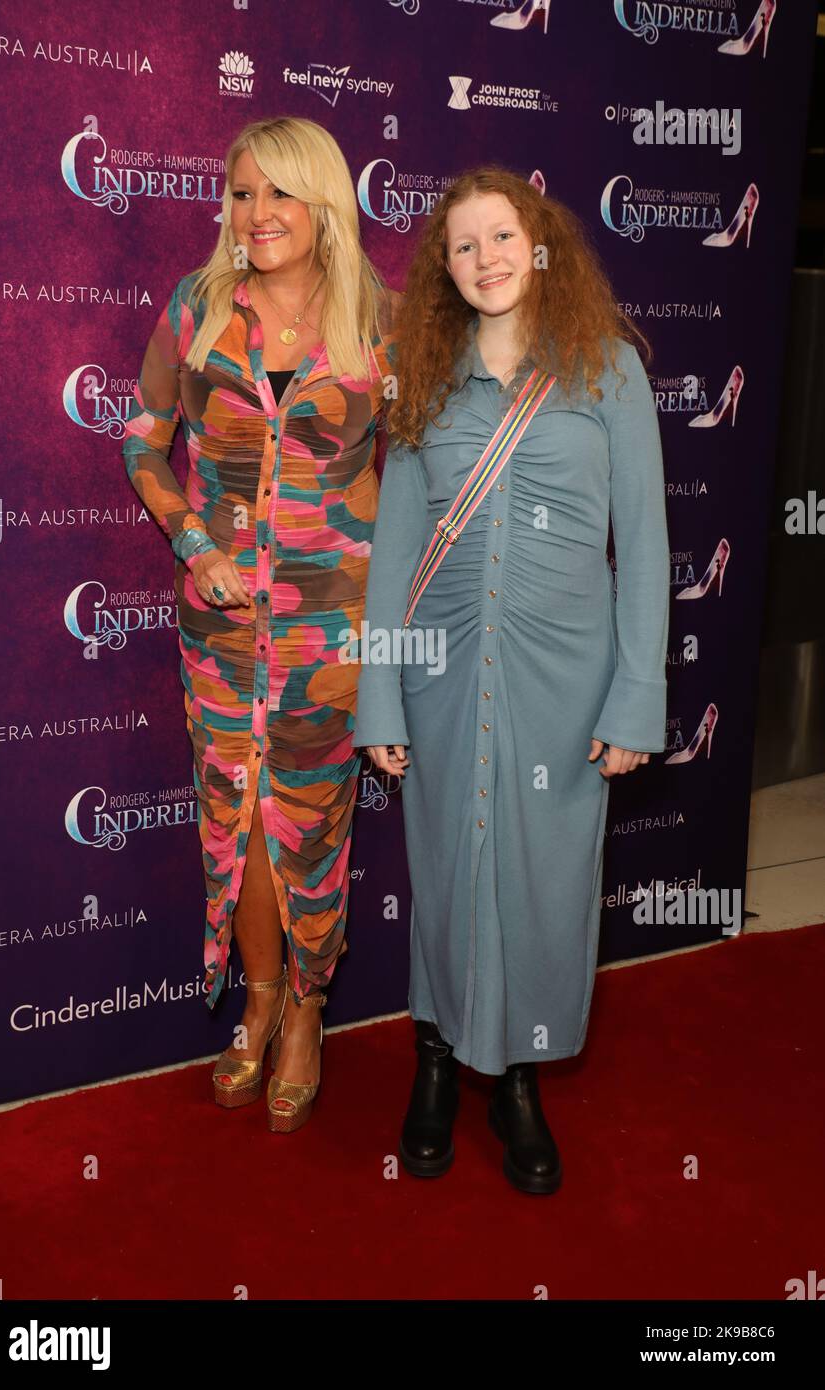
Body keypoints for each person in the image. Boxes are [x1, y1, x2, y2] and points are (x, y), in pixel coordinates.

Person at [352, 165, 670, 1193]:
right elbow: (395, 550)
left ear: (538, 245)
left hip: (563, 687)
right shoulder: (423, 377)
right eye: (461, 247)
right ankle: (435, 1062)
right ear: (441, 269)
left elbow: (648, 554)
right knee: (444, 871)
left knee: (542, 883)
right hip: (441, 679)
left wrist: (633, 699)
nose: (484, 260)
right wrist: (379, 693)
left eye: (500, 238)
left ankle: (520, 1078)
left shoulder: (608, 370)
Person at [122, 116, 399, 1133]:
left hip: (333, 633)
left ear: (324, 201)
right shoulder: (197, 310)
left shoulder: (380, 321)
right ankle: (262, 994)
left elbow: (418, 474)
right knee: (234, 820)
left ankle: (307, 1012)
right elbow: (142, 440)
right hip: (222, 629)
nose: (258, 214)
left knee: (312, 824)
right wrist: (194, 541)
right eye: (241, 193)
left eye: (279, 193)